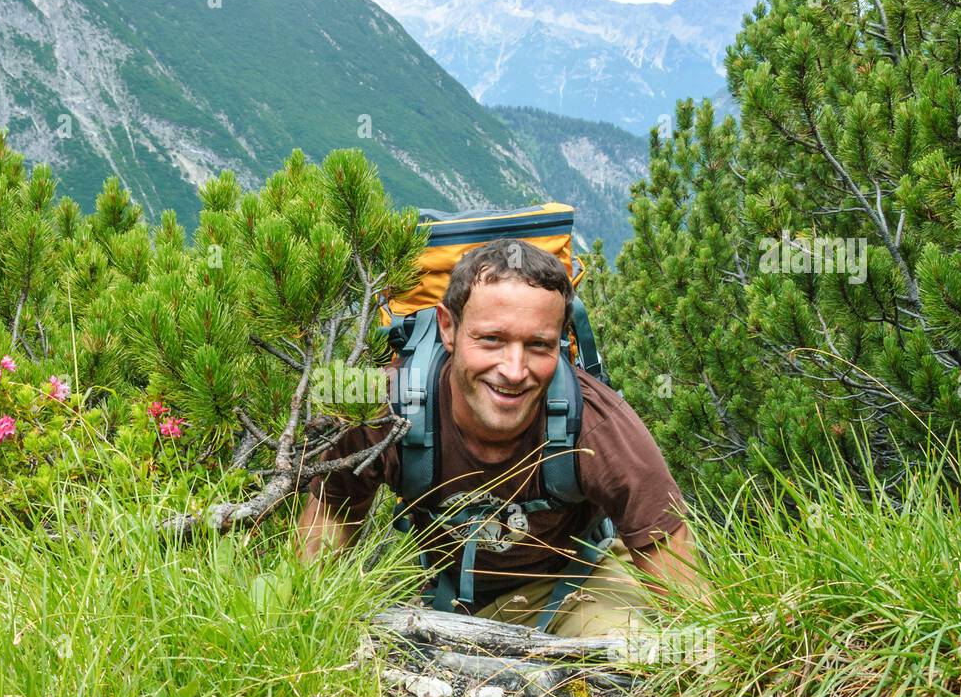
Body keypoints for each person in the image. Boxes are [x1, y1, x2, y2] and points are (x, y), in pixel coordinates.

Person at [298, 238, 698, 639]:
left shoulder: (594, 421)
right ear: (448, 328)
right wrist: (305, 631)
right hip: (439, 596)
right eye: (491, 340)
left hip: (574, 588)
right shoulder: (386, 405)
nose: (513, 370)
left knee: (623, 651)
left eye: (538, 345)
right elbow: (329, 522)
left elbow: (677, 573)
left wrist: (714, 665)